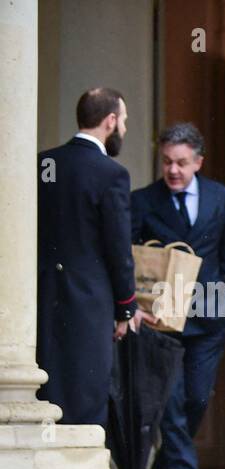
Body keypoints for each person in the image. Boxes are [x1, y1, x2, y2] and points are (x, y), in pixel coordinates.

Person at [131, 122, 225, 469]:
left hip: (209, 317)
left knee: (194, 400)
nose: (173, 171)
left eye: (180, 163)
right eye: (166, 163)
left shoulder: (219, 197)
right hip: (162, 318)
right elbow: (130, 260)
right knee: (169, 402)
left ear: (198, 162)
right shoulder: (142, 201)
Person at [36, 88, 153, 431]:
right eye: (125, 121)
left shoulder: (47, 162)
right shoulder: (111, 173)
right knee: (86, 395)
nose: (125, 130)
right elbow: (118, 250)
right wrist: (126, 307)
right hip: (90, 302)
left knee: (50, 385)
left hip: (44, 295)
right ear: (110, 121)